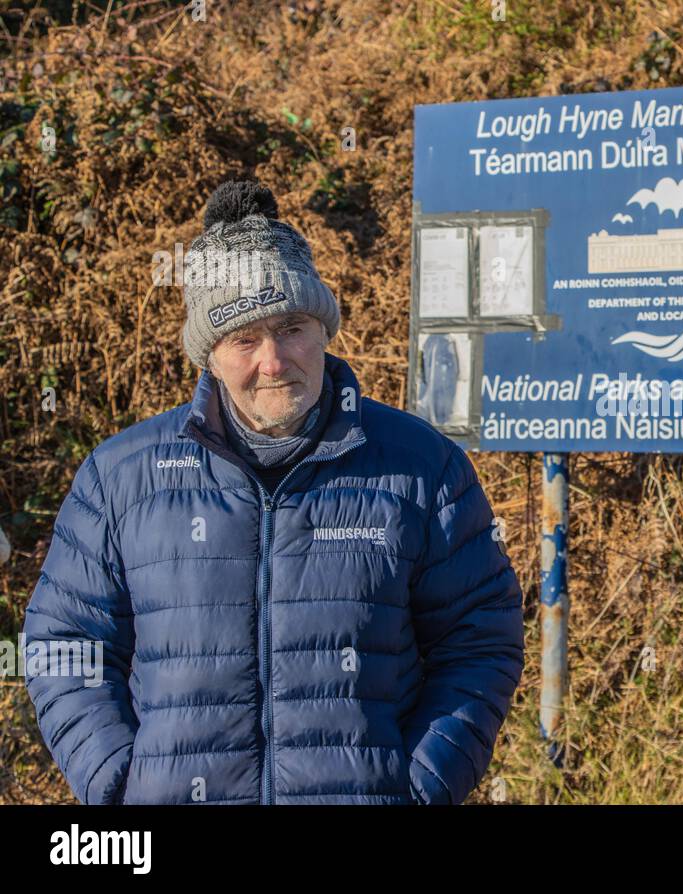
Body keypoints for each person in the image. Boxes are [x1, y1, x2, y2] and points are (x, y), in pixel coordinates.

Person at [22, 180, 525, 804]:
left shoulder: (422, 468)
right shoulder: (120, 478)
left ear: (324, 328)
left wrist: (420, 786)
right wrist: (119, 783)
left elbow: (479, 639)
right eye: (244, 338)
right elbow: (65, 645)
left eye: (292, 327)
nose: (274, 360)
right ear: (209, 354)